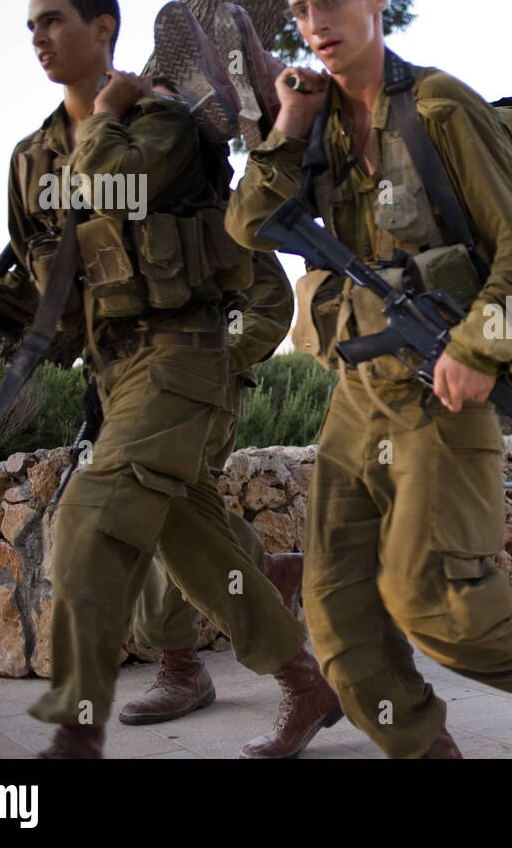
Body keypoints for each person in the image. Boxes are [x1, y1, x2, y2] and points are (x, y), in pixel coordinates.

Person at [224, 0, 512, 759]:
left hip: (445, 390)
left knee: (432, 597)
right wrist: (287, 128)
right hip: (356, 395)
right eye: (299, 11)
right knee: (334, 614)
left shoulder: (440, 109)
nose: (316, 23)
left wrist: (478, 346)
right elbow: (247, 227)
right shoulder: (316, 123)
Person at [0, 0, 340, 758]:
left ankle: (77, 733)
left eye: (53, 20)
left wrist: (106, 114)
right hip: (112, 370)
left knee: (86, 517)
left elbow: (111, 185)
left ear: (104, 27)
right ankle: (304, 681)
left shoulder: (163, 123)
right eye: (29, 25)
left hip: (183, 358)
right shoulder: (29, 153)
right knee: (192, 541)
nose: (38, 37)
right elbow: (37, 261)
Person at [117, 74, 304, 727]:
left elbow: (274, 308)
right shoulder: (134, 210)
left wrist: (216, 364)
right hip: (134, 393)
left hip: (200, 394)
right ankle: (264, 569)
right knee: (178, 513)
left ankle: (182, 669)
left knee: (160, 507)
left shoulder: (220, 211)